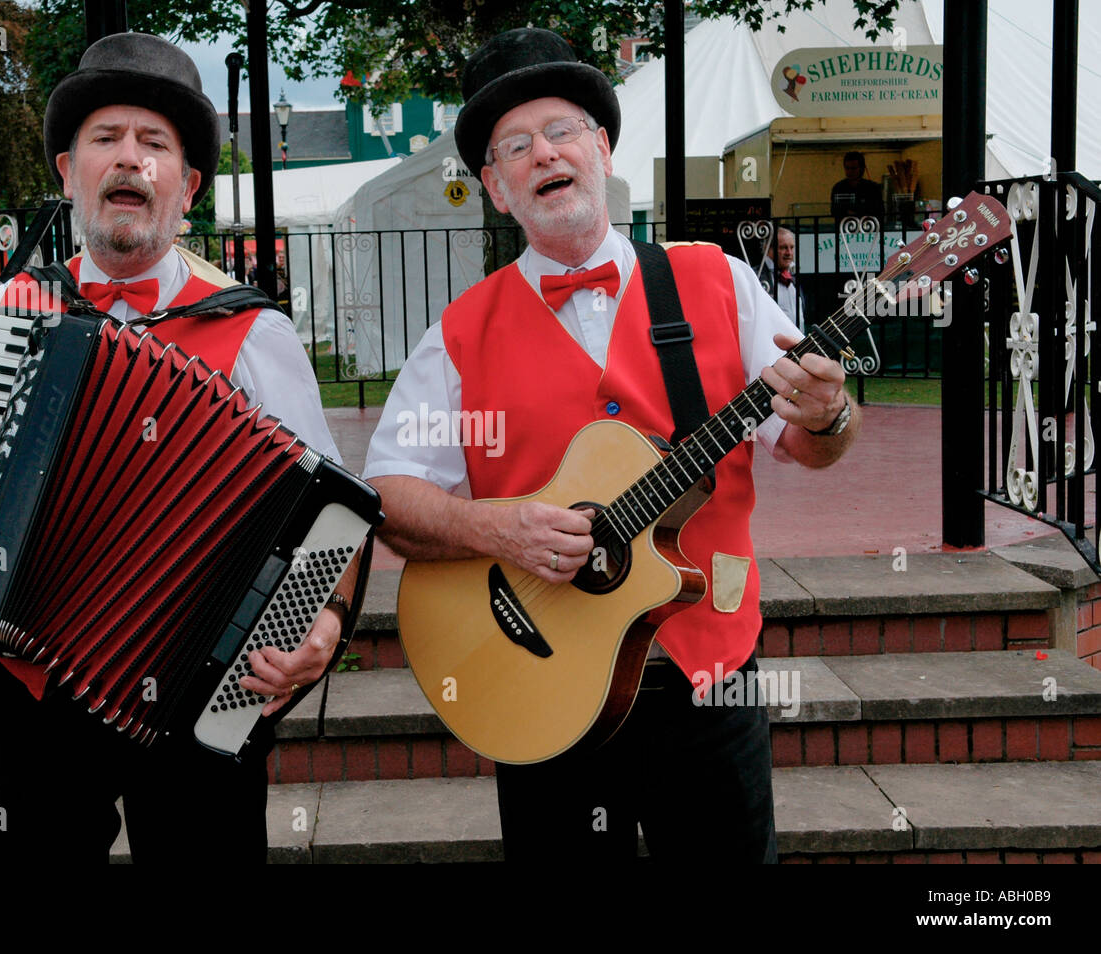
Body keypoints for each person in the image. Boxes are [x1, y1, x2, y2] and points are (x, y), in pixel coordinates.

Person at [362, 28, 861, 862]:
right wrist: (502, 529)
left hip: (706, 682)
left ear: (601, 147)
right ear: (493, 187)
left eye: (561, 131)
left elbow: (809, 443)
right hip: (540, 681)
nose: (543, 155)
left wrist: (829, 415)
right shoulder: (456, 335)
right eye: (514, 147)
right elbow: (388, 499)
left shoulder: (718, 281)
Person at [0, 33, 354, 864]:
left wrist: (329, 622)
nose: (129, 159)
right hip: (32, 682)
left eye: (154, 144)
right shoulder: (11, 313)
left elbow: (332, 515)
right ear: (68, 171)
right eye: (106, 139)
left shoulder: (253, 331)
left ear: (187, 185)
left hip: (200, 684)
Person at [756, 226, 806, 330]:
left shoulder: (793, 277)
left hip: (800, 343)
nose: (789, 253)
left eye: (792, 247)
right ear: (768, 249)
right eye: (783, 248)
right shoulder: (756, 276)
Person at [831, 150, 885, 222]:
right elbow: (834, 211)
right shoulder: (838, 188)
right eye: (847, 168)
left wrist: (850, 212)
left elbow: (879, 211)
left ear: (862, 168)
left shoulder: (872, 188)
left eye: (853, 168)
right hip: (844, 229)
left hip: (868, 229)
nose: (850, 172)